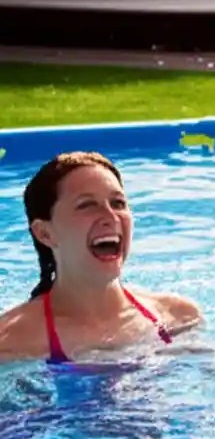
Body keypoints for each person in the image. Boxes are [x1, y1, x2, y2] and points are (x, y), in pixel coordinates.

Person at [0, 151, 203, 364]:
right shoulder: (12, 343)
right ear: (45, 233)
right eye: (87, 205)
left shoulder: (179, 318)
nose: (110, 216)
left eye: (118, 203)